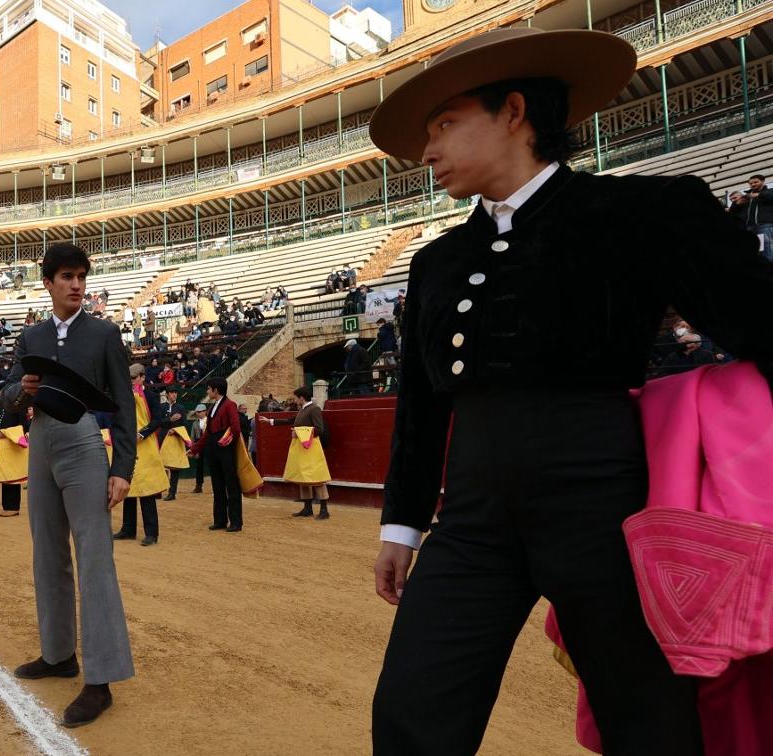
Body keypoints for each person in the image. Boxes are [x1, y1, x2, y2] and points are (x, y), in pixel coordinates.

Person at [364, 26, 773, 755]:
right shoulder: (437, 261)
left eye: (445, 125)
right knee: (411, 710)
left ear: (513, 111)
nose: (426, 151)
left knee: (647, 719)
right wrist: (402, 525)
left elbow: (762, 324)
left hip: (603, 505)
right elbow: (424, 408)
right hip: (474, 514)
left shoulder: (641, 214)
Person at [0, 243, 135, 727]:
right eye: (66, 277)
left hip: (82, 443)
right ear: (48, 283)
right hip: (40, 441)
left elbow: (122, 402)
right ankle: (59, 655)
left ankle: (100, 680)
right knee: (48, 553)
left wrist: (122, 467)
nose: (76, 284)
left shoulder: (103, 333)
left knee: (95, 556)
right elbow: (8, 395)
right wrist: (23, 391)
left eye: (81, 276)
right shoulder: (32, 334)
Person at [113, 363, 168, 546]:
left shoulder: (152, 396)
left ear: (143, 377)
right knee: (128, 486)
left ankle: (151, 533)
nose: (131, 381)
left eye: (134, 377)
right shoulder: (125, 396)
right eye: (129, 378)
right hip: (129, 446)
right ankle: (128, 529)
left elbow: (157, 420)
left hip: (146, 445)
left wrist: (142, 433)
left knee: (146, 490)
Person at [259, 386, 331, 519]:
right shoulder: (303, 409)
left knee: (317, 478)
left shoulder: (314, 409)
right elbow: (290, 421)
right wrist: (270, 421)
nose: (295, 400)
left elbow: (319, 429)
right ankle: (307, 508)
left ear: (302, 398)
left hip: (311, 448)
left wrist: (299, 432)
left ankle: (324, 510)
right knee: (303, 477)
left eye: (296, 398)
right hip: (302, 448)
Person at [189, 377, 244, 532]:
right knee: (218, 485)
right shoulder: (213, 407)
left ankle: (236, 522)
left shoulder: (230, 405)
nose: (207, 391)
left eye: (209, 389)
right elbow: (208, 433)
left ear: (215, 390)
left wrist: (226, 443)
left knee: (231, 485)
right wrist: (195, 448)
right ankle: (220, 520)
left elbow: (236, 428)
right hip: (214, 450)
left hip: (225, 450)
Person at [0, 405, 31, 517]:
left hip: (12, 446)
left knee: (13, 475)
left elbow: (23, 426)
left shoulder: (17, 408)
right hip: (3, 447)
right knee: (5, 476)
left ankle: (13, 507)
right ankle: (7, 506)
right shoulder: (0, 408)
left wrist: (5, 433)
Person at [728, 173, 773, 261]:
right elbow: (733, 212)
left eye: (755, 182)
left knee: (766, 250)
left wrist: (759, 195)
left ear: (763, 181)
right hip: (749, 228)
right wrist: (736, 204)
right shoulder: (746, 196)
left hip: (764, 225)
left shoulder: (769, 191)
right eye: (751, 183)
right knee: (753, 252)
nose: (753, 185)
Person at [157, 386, 190, 501]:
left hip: (175, 438)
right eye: (172, 393)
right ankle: (159, 490)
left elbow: (185, 424)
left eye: (175, 393)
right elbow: (158, 422)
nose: (174, 395)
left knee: (174, 467)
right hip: (162, 437)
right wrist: (170, 419)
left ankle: (172, 493)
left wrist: (175, 431)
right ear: (167, 395)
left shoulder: (180, 407)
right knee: (160, 465)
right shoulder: (161, 407)